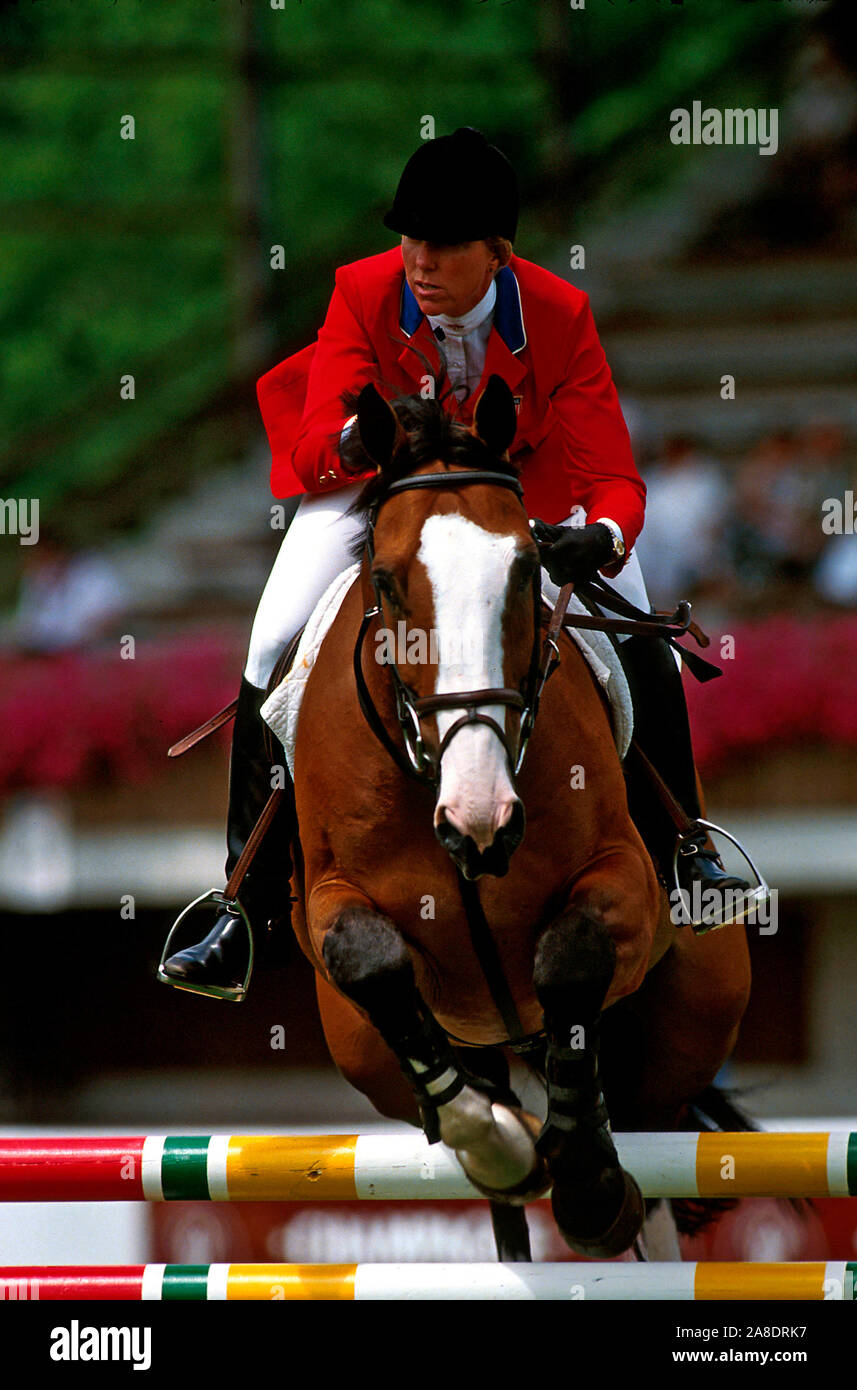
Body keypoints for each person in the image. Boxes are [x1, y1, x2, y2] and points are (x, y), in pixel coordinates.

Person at [161, 127, 750, 1000]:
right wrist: (360, 438)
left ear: (499, 254)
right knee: (269, 635)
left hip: (522, 500)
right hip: (377, 491)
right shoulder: (364, 290)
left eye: (442, 246)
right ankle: (241, 902)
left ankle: (684, 854)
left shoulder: (558, 313)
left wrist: (603, 537)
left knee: (645, 637)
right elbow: (320, 436)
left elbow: (612, 475)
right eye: (412, 240)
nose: (420, 261)